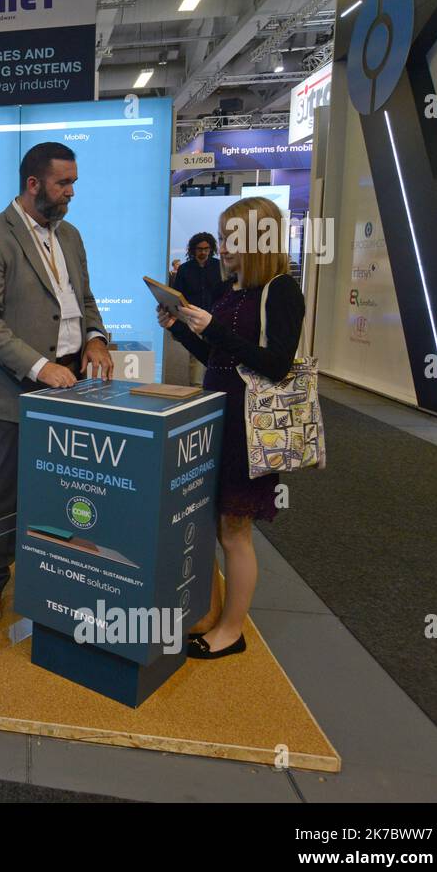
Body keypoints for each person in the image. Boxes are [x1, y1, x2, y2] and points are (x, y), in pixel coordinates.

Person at [0, 141, 114, 627]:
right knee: (4, 493)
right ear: (33, 184)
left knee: (62, 490)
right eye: (62, 183)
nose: (70, 192)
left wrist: (96, 340)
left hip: (73, 385)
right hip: (17, 389)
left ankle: (55, 578)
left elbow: (84, 300)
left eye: (73, 183)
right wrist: (38, 368)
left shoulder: (70, 235)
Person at [158, 196, 304, 659]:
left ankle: (232, 629)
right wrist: (182, 330)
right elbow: (220, 362)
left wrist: (213, 330)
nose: (222, 245)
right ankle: (215, 617)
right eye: (221, 236)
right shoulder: (233, 292)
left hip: (249, 428)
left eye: (230, 237)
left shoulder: (280, 290)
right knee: (219, 526)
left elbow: (277, 367)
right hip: (218, 418)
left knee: (234, 530)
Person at [171, 231, 229, 384]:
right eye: (199, 249)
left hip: (215, 317)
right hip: (192, 317)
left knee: (216, 352)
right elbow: (178, 293)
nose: (203, 252)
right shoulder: (184, 269)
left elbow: (226, 291)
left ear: (211, 249)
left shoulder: (220, 266)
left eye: (206, 248)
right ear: (193, 250)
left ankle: (213, 384)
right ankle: (196, 389)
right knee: (196, 355)